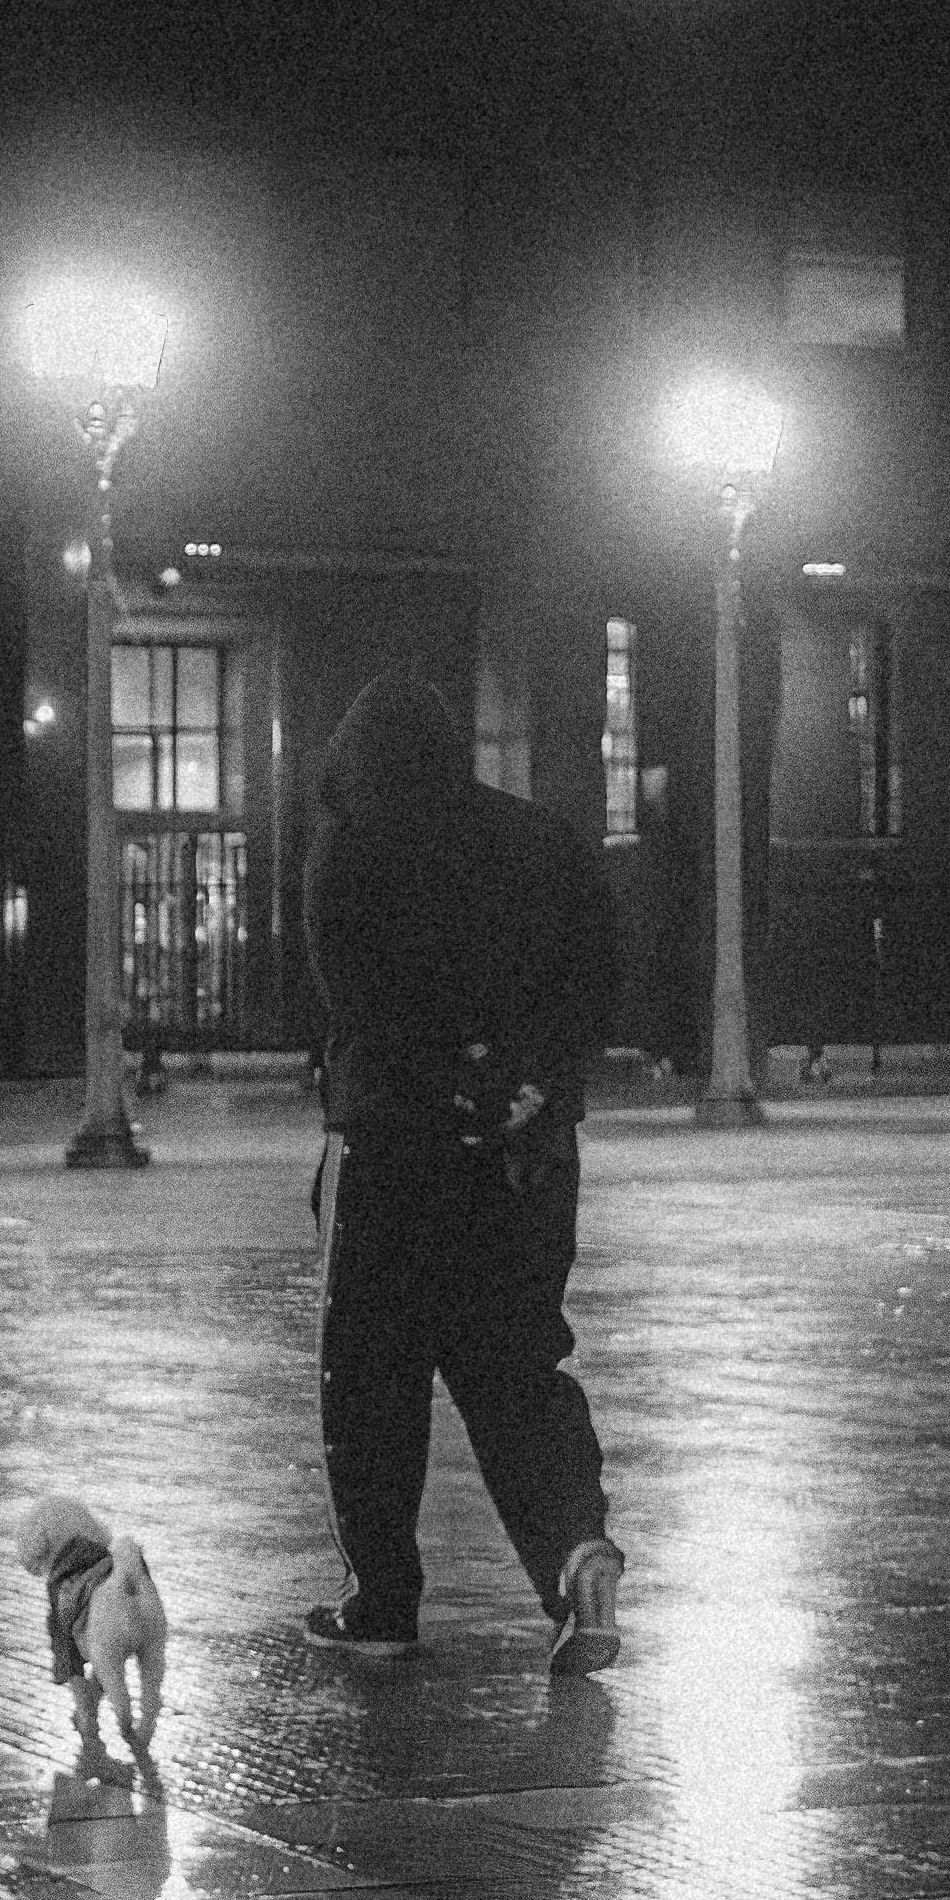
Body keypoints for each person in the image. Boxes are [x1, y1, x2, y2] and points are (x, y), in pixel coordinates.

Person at [298, 669, 626, 1671]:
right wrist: (533, 1080)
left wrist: (451, 1085)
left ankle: (383, 1601)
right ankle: (574, 1552)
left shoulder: (351, 846)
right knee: (519, 1367)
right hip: (528, 1155)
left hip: (395, 1148)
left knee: (370, 1375)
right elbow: (598, 972)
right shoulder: (542, 840)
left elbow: (358, 999)